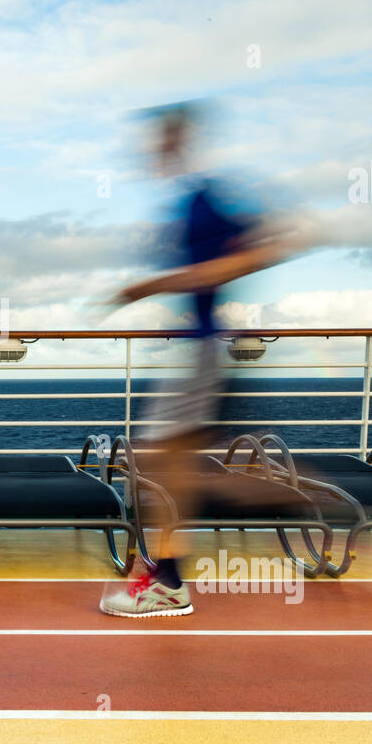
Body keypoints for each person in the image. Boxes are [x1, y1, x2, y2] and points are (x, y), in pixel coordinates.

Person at [99, 102, 308, 618]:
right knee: (174, 467)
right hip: (200, 350)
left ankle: (170, 580)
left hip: (202, 352)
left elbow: (277, 244)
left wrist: (156, 285)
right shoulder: (189, 200)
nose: (152, 150)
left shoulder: (208, 195)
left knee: (159, 464)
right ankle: (168, 575)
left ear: (180, 140)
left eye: (161, 140)